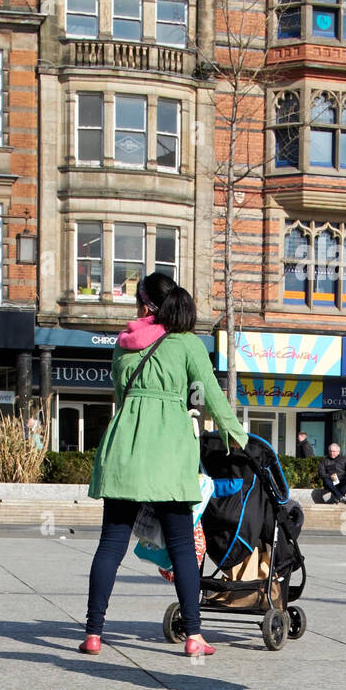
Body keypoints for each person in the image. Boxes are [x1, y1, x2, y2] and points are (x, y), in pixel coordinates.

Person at [83, 273, 246, 659]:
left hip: (125, 448)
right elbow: (210, 394)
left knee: (110, 545)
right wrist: (233, 435)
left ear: (142, 304)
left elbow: (122, 394)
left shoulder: (123, 344)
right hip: (170, 451)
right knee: (182, 548)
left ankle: (93, 633)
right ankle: (193, 635)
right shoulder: (187, 344)